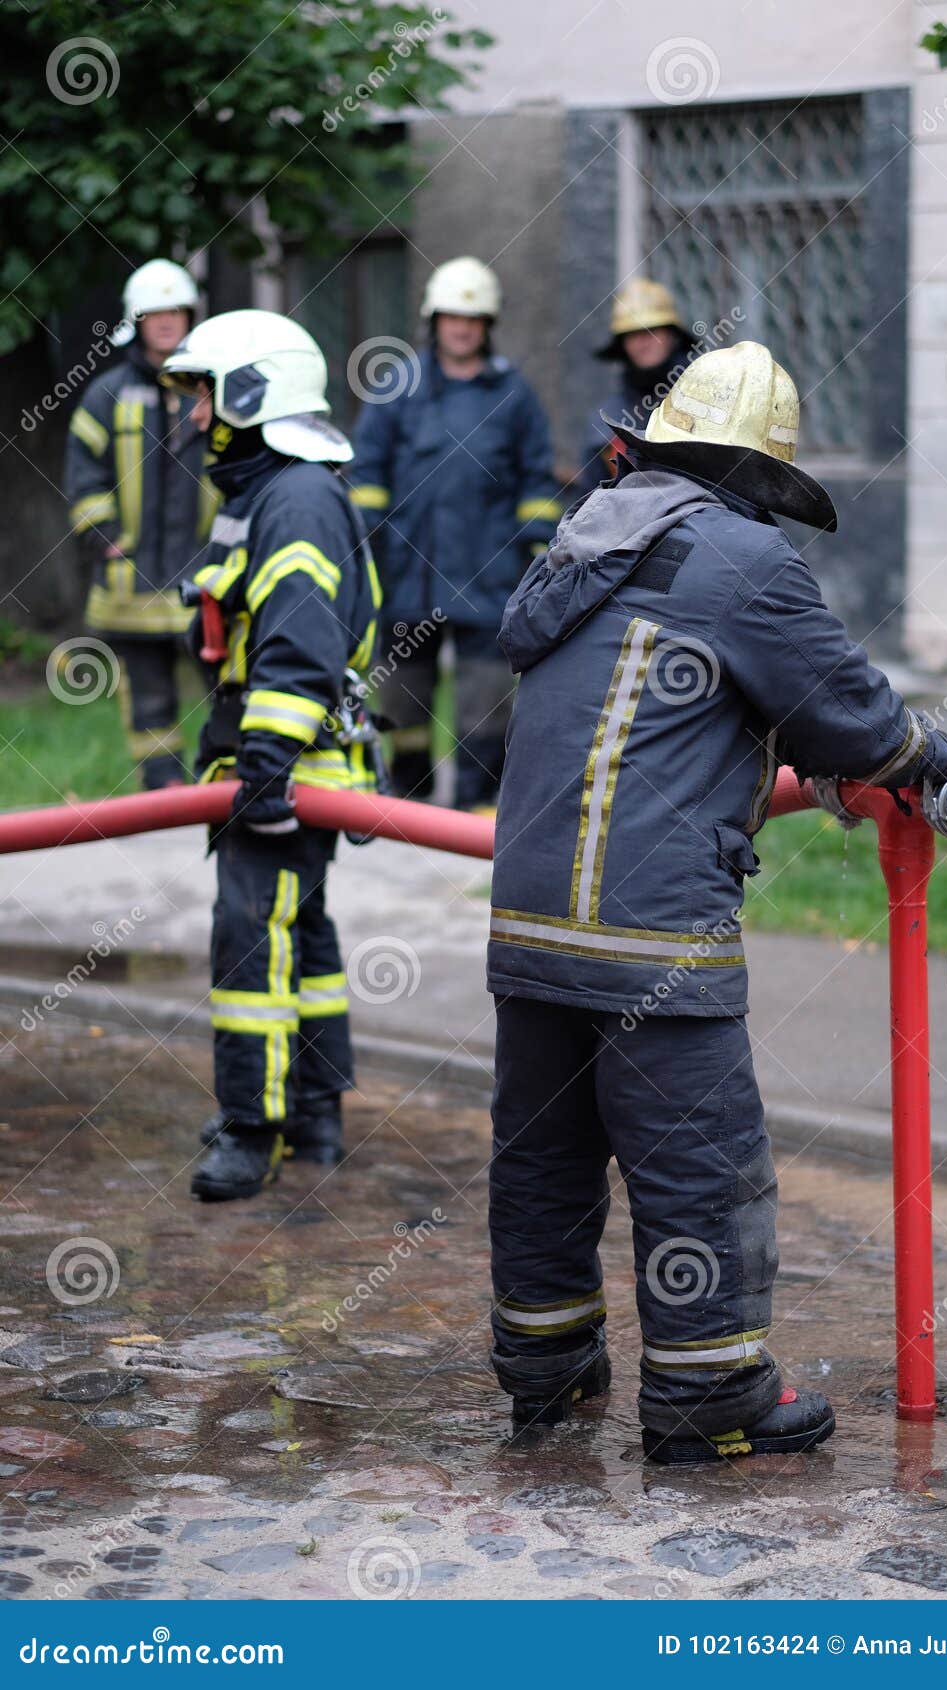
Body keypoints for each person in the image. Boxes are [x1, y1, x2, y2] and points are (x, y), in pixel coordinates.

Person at [485, 341, 947, 1462]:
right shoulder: (739, 557)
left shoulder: (590, 531)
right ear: (752, 476)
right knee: (698, 1160)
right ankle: (707, 1397)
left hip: (526, 921)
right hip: (649, 929)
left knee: (544, 1157)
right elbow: (850, 716)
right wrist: (933, 755)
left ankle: (545, 1370)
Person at [161, 309, 381, 1202]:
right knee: (301, 931)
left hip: (286, 770)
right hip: (280, 764)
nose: (194, 416)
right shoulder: (273, 492)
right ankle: (317, 1112)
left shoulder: (293, 498)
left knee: (249, 938)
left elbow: (296, 644)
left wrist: (264, 768)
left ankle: (255, 1130)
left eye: (205, 394)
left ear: (251, 395)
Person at [348, 257, 561, 811]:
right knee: (401, 696)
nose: (462, 328)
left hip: (489, 575)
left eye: (473, 319)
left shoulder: (514, 396)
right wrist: (366, 539)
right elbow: (366, 472)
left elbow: (536, 480)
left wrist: (533, 550)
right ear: (433, 321)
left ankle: (478, 806)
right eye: (451, 317)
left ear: (488, 325)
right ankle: (405, 799)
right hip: (406, 576)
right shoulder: (398, 388)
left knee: (486, 703)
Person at [64, 259, 219, 788]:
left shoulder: (210, 390)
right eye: (155, 313)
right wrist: (105, 534)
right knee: (148, 696)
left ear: (189, 316)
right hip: (132, 581)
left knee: (228, 685)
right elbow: (83, 474)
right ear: (137, 320)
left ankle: (235, 784)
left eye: (175, 310)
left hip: (205, 580)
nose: (167, 321)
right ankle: (164, 792)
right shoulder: (105, 395)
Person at [575, 277, 698, 499]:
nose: (644, 341)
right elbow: (592, 502)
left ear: (672, 336)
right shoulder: (607, 422)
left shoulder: (706, 402)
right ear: (621, 345)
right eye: (633, 334)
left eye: (653, 330)